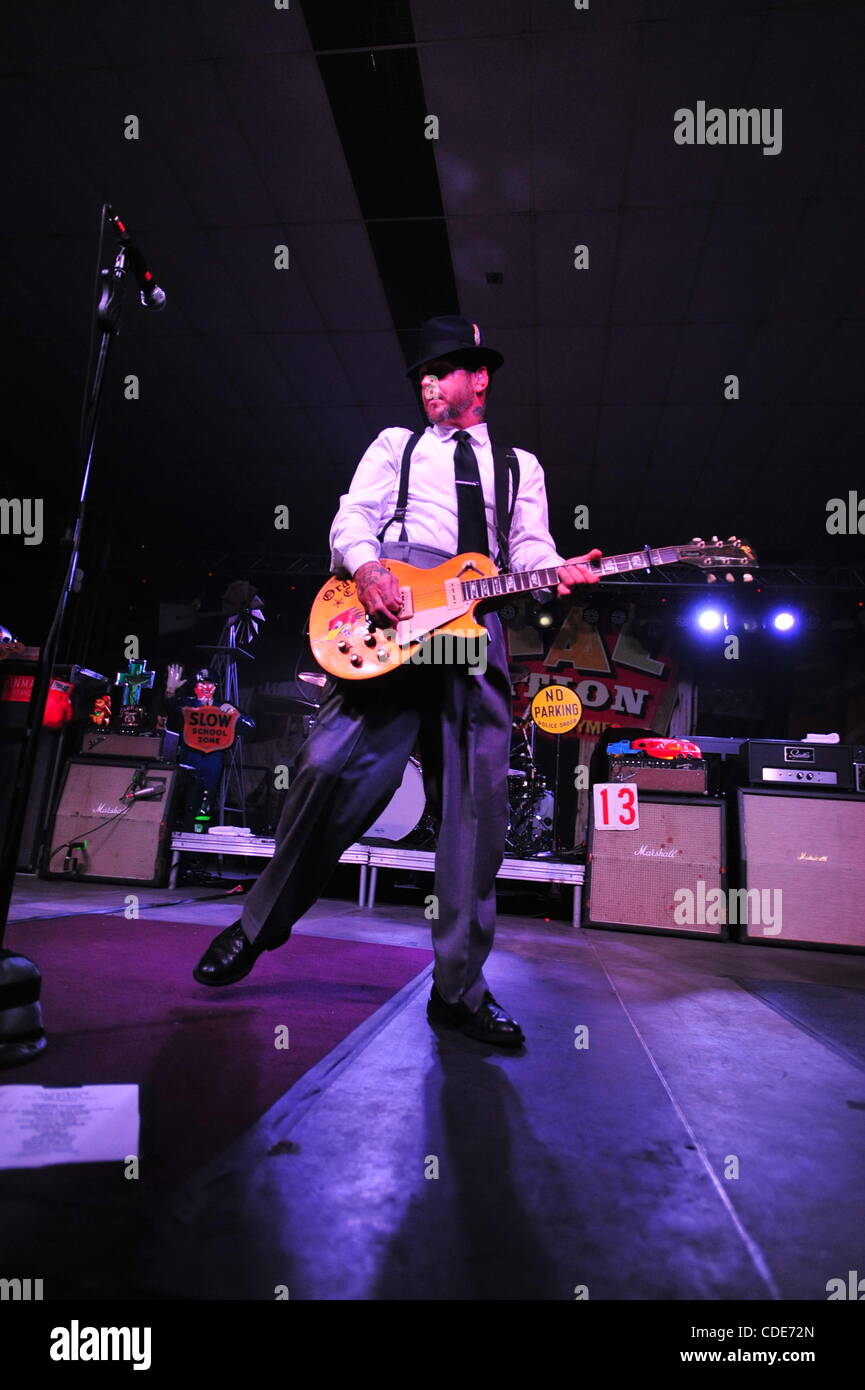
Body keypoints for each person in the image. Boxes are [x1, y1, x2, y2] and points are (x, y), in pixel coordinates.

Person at [193, 316, 601, 1047]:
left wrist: (557, 574)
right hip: (394, 622)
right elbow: (353, 518)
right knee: (325, 768)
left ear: (478, 378)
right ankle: (260, 924)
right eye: (421, 372)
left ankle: (458, 991)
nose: (426, 381)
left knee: (475, 816)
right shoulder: (397, 446)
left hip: (470, 638)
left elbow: (530, 549)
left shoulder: (521, 467)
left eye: (441, 369)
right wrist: (370, 566)